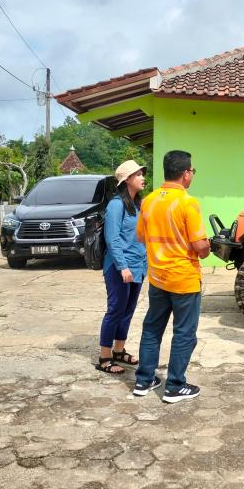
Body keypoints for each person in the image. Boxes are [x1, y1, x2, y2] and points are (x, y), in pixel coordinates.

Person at [133, 150, 211, 403]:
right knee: (184, 333)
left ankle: (144, 380)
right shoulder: (188, 203)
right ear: (186, 174)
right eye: (193, 171)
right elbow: (200, 247)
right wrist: (208, 247)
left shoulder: (149, 201)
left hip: (157, 278)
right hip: (184, 279)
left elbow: (141, 237)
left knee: (152, 329)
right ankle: (175, 385)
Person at [96, 160, 147, 374]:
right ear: (127, 180)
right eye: (138, 174)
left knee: (128, 311)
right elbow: (112, 238)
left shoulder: (138, 205)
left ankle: (119, 351)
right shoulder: (116, 205)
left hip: (138, 266)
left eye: (142, 174)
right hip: (119, 268)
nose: (143, 177)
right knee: (115, 310)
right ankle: (105, 357)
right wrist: (123, 266)